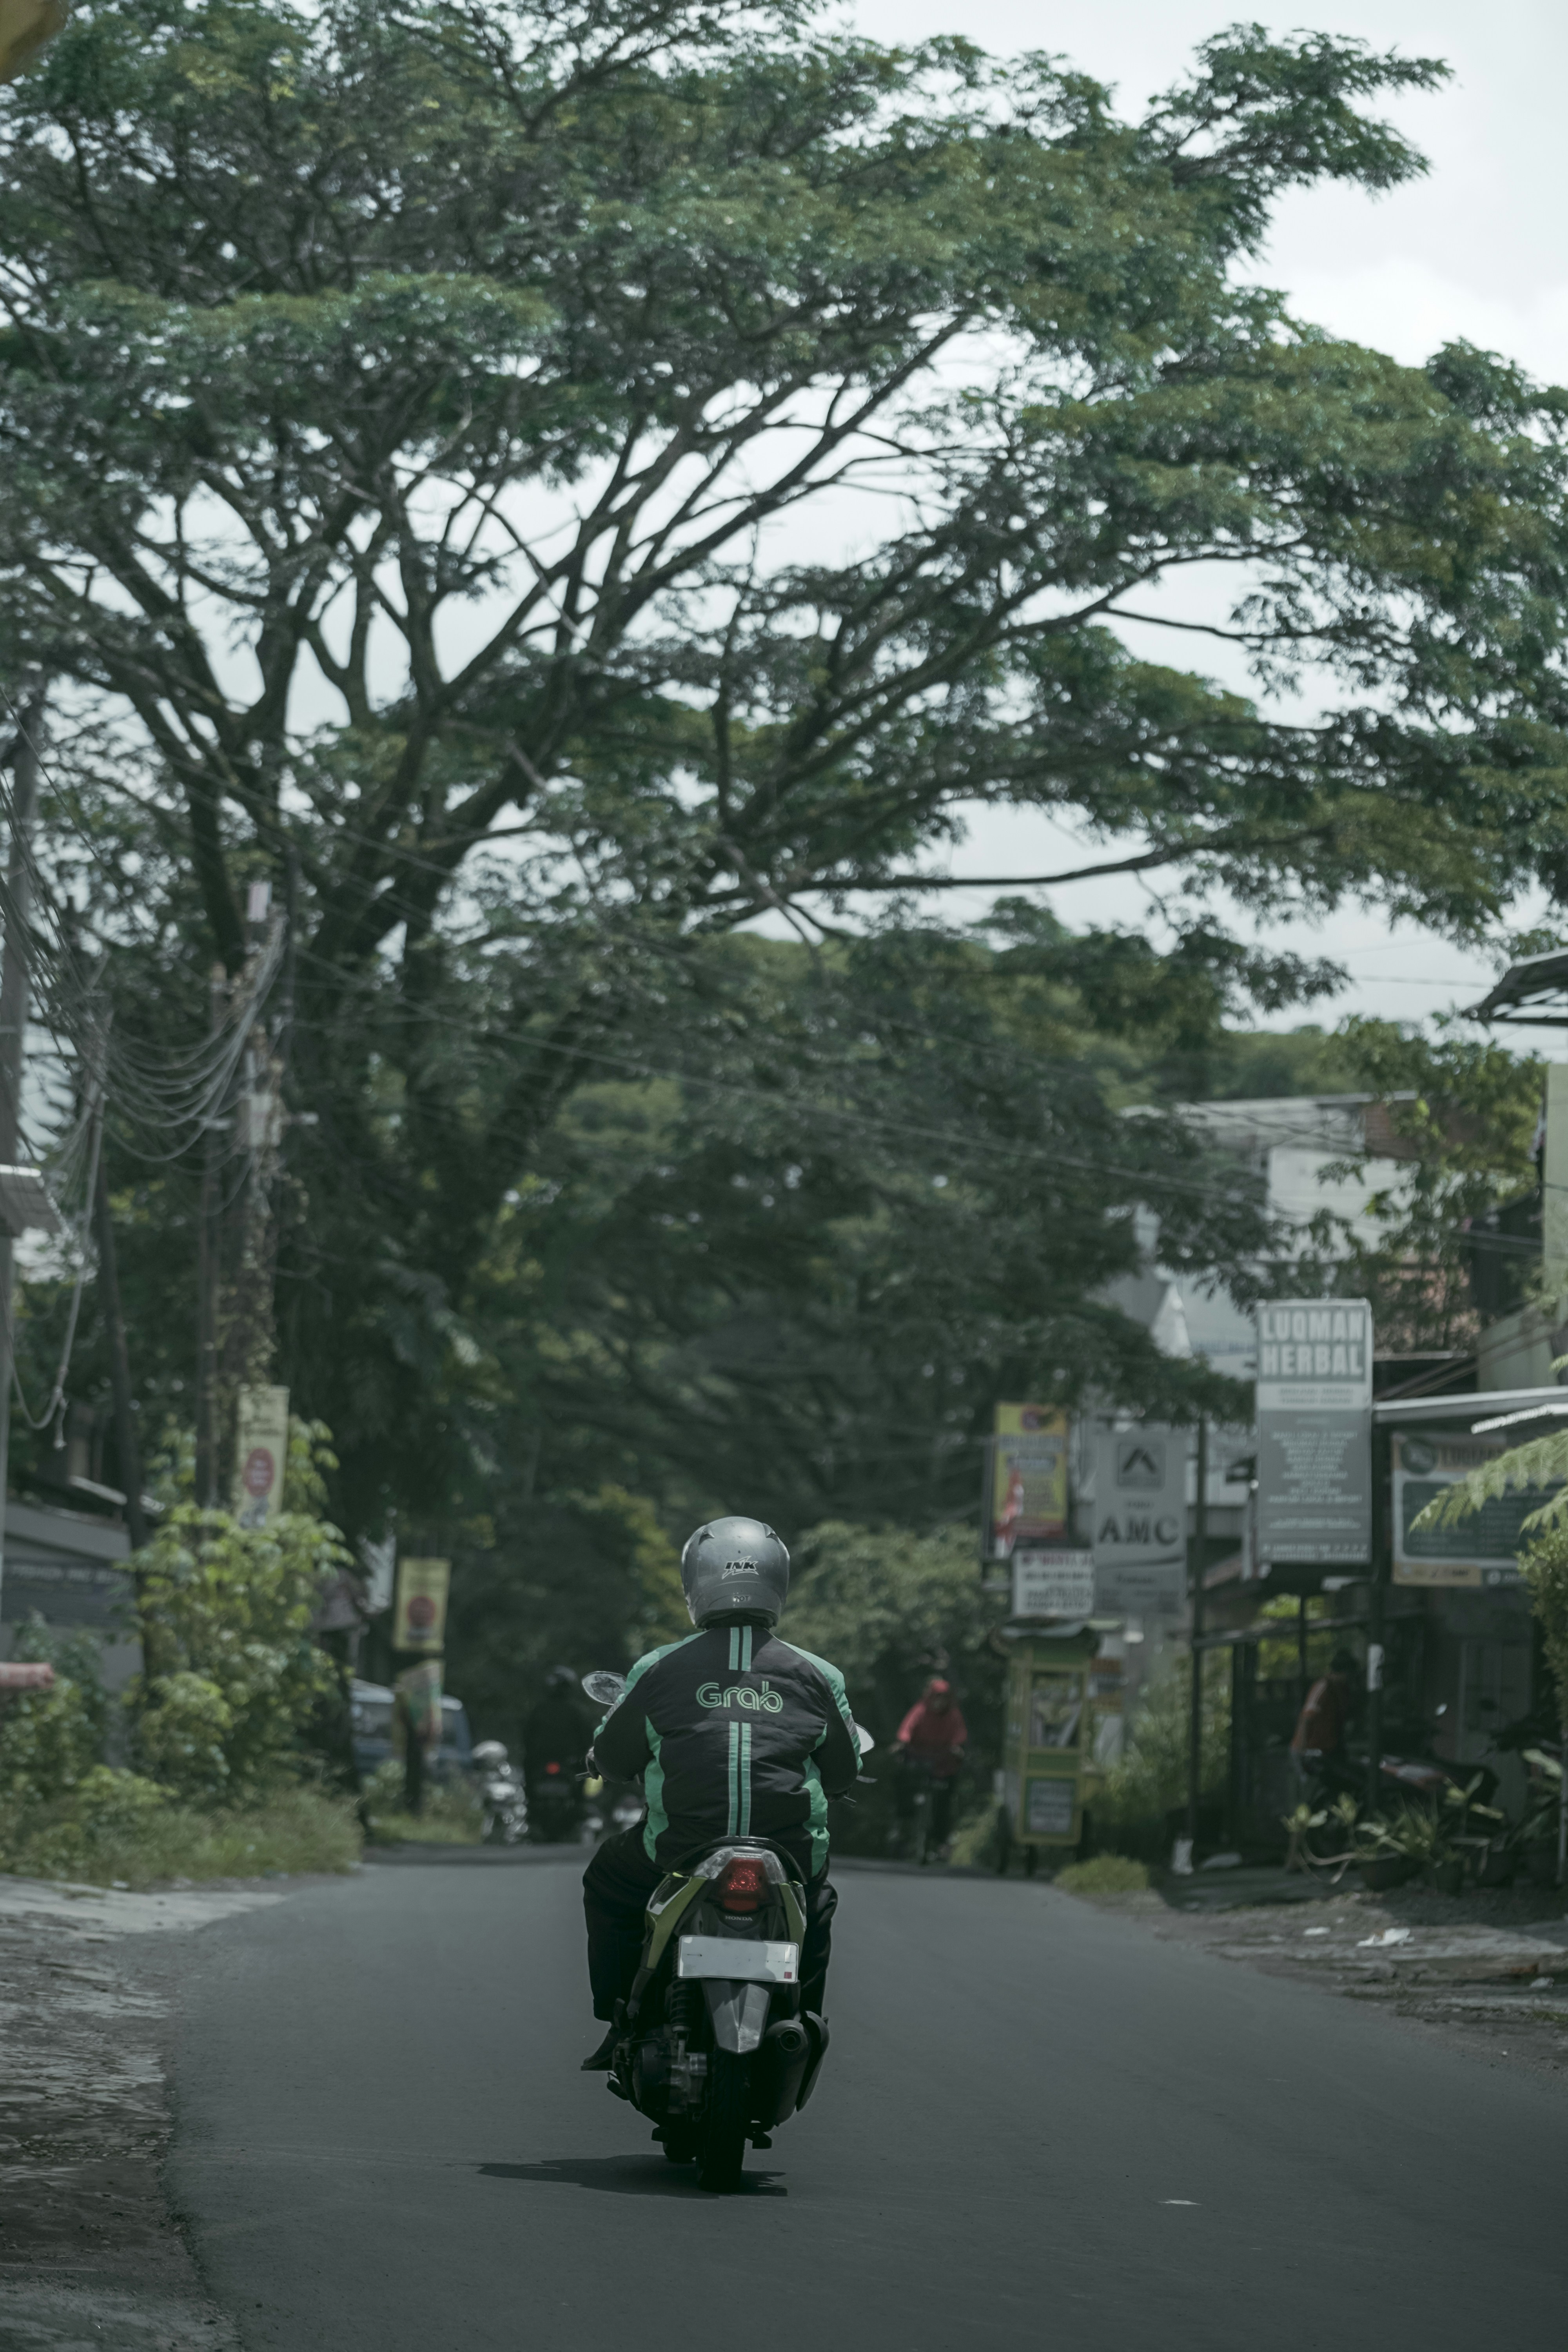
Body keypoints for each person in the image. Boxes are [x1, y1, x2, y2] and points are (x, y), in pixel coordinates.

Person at [579, 1514, 860, 2071]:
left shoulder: (658, 1669)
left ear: (695, 1581)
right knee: (820, 1905)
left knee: (608, 1880)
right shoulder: (818, 1675)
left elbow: (613, 1759)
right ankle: (803, 2020)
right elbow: (844, 1772)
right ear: (778, 1580)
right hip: (790, 1858)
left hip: (677, 1853)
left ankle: (619, 2018)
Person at [894, 1677, 967, 1859]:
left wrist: (957, 1748)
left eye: (943, 1698)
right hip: (920, 1760)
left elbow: (959, 1735)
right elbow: (907, 1730)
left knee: (945, 1799)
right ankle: (901, 1826)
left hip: (942, 1764)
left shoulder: (953, 1715)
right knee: (902, 1784)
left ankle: (942, 1839)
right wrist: (903, 1742)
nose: (939, 1702)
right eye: (937, 1697)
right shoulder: (920, 1710)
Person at [1290, 1649, 1359, 1798]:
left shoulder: (1343, 1691)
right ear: (1343, 1672)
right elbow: (1306, 1719)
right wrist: (1302, 1753)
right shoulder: (1323, 1687)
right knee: (1312, 1793)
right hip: (1311, 1751)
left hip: (1330, 1750)